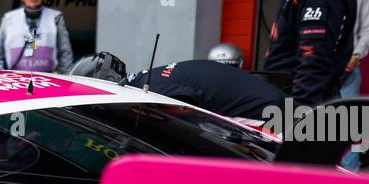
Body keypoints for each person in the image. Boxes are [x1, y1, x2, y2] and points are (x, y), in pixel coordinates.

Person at [74, 50, 285, 123]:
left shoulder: (151, 93)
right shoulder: (146, 78)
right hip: (274, 99)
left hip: (266, 112)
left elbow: (194, 127)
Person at [0, 0, 73, 73]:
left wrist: (64, 80)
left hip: (49, 81)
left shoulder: (56, 18)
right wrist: (0, 78)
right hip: (16, 81)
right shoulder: (8, 19)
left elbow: (65, 53)